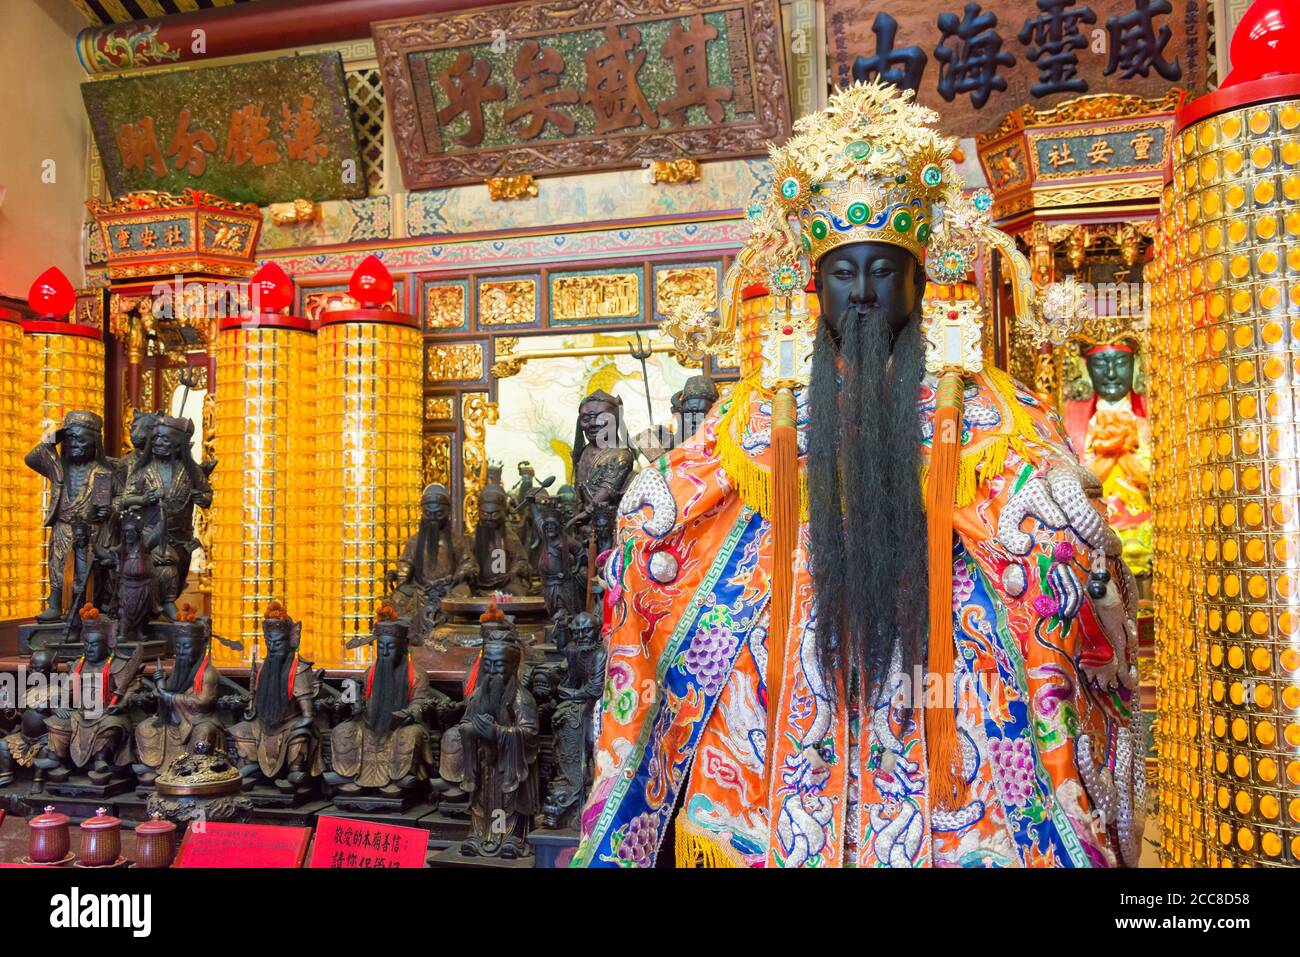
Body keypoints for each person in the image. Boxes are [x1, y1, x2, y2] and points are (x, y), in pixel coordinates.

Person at [572, 81, 1142, 869]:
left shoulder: (983, 408)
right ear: (816, 284)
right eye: (845, 272)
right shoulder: (765, 410)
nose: (867, 292)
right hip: (793, 696)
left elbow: (1034, 482)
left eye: (884, 269)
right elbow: (684, 491)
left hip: (946, 689)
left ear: (919, 277)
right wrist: (646, 509)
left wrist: (1054, 516)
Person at [1064, 341, 1152, 581]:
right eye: (1101, 364)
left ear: (1136, 367)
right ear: (1086, 370)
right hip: (1098, 535)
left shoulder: (1149, 426)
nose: (1111, 374)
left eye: (1121, 363)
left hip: (1147, 535)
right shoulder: (1077, 430)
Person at [25, 411, 116, 622]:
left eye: (81, 440)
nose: (75, 444)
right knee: (58, 564)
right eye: (71, 439)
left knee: (88, 571)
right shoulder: (57, 467)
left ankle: (87, 605)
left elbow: (108, 503)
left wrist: (107, 510)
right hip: (64, 525)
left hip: (91, 529)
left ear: (94, 443)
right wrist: (52, 438)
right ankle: (55, 603)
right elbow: (32, 458)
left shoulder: (101, 472)